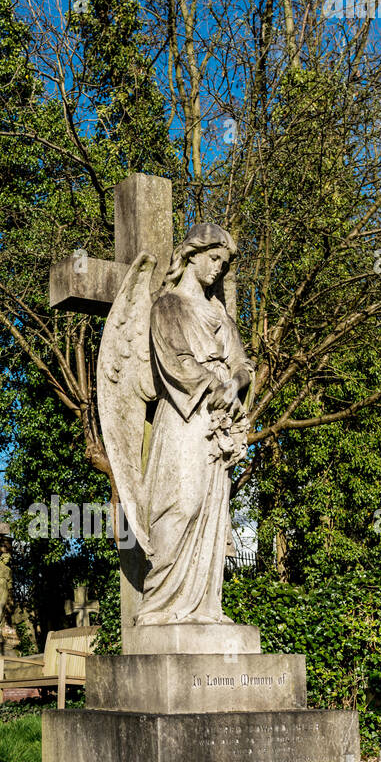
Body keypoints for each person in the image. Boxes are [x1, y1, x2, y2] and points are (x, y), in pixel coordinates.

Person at [136, 223, 253, 625]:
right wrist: (212, 384)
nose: (219, 269)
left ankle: (204, 607)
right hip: (185, 418)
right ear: (191, 255)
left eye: (224, 263)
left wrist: (235, 382)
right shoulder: (166, 307)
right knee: (181, 505)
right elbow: (177, 361)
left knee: (210, 509)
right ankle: (159, 605)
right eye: (214, 259)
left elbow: (242, 363)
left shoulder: (219, 313)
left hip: (218, 422)